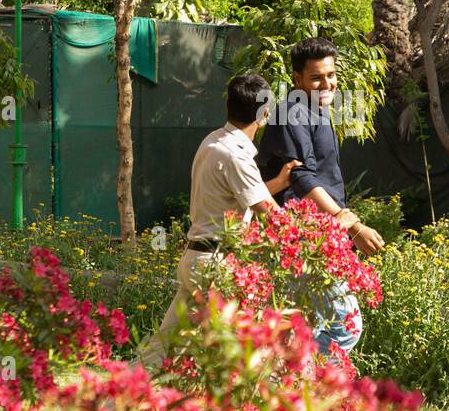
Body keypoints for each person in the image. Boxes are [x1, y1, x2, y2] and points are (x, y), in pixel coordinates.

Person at [137, 72, 298, 371]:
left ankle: (116, 397)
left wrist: (277, 182)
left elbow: (238, 194)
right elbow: (267, 211)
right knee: (244, 347)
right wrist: (313, 234)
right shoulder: (237, 156)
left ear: (227, 103)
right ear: (264, 115)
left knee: (163, 347)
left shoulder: (213, 141)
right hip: (216, 265)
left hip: (196, 259)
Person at [256, 37, 384, 358]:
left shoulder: (317, 109)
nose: (327, 83)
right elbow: (301, 177)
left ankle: (292, 390)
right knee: (345, 325)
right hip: (301, 238)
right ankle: (305, 383)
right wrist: (352, 225)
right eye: (316, 77)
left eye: (331, 74)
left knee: (302, 325)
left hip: (315, 235)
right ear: (297, 79)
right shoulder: (292, 112)